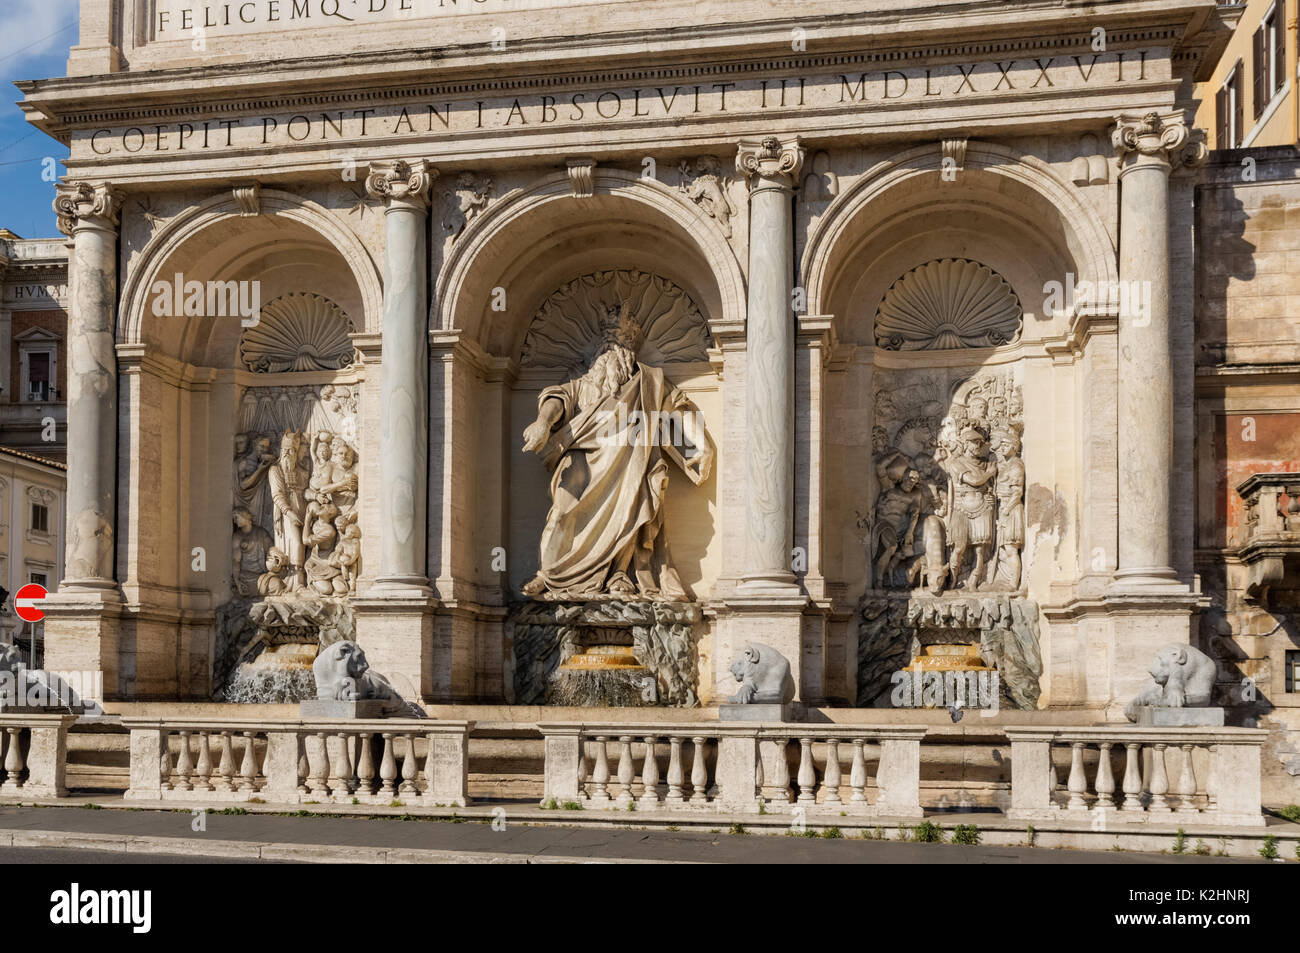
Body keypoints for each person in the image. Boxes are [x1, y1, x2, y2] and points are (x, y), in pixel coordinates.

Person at [520, 301, 714, 598]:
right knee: (562, 509)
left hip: (629, 460)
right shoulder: (583, 382)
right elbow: (558, 397)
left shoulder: (649, 381)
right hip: (582, 460)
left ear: (630, 349)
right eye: (608, 343)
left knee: (634, 492)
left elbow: (676, 407)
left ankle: (618, 573)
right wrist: (542, 422)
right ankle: (549, 574)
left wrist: (701, 444)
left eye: (619, 343)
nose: (612, 350)